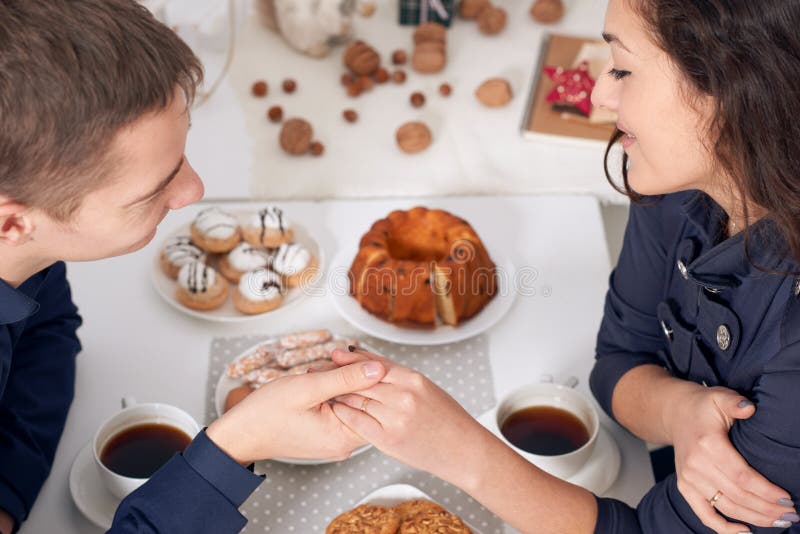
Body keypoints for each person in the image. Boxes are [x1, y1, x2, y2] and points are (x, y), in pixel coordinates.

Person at [329, 0, 800, 532]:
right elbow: (620, 358)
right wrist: (680, 412)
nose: (598, 96)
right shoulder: (684, 181)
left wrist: (458, 450)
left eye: (622, 68)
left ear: (733, 84)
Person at [0, 2, 387, 533]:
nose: (195, 192)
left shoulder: (27, 263)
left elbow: (46, 337)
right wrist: (229, 452)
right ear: (12, 223)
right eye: (155, 187)